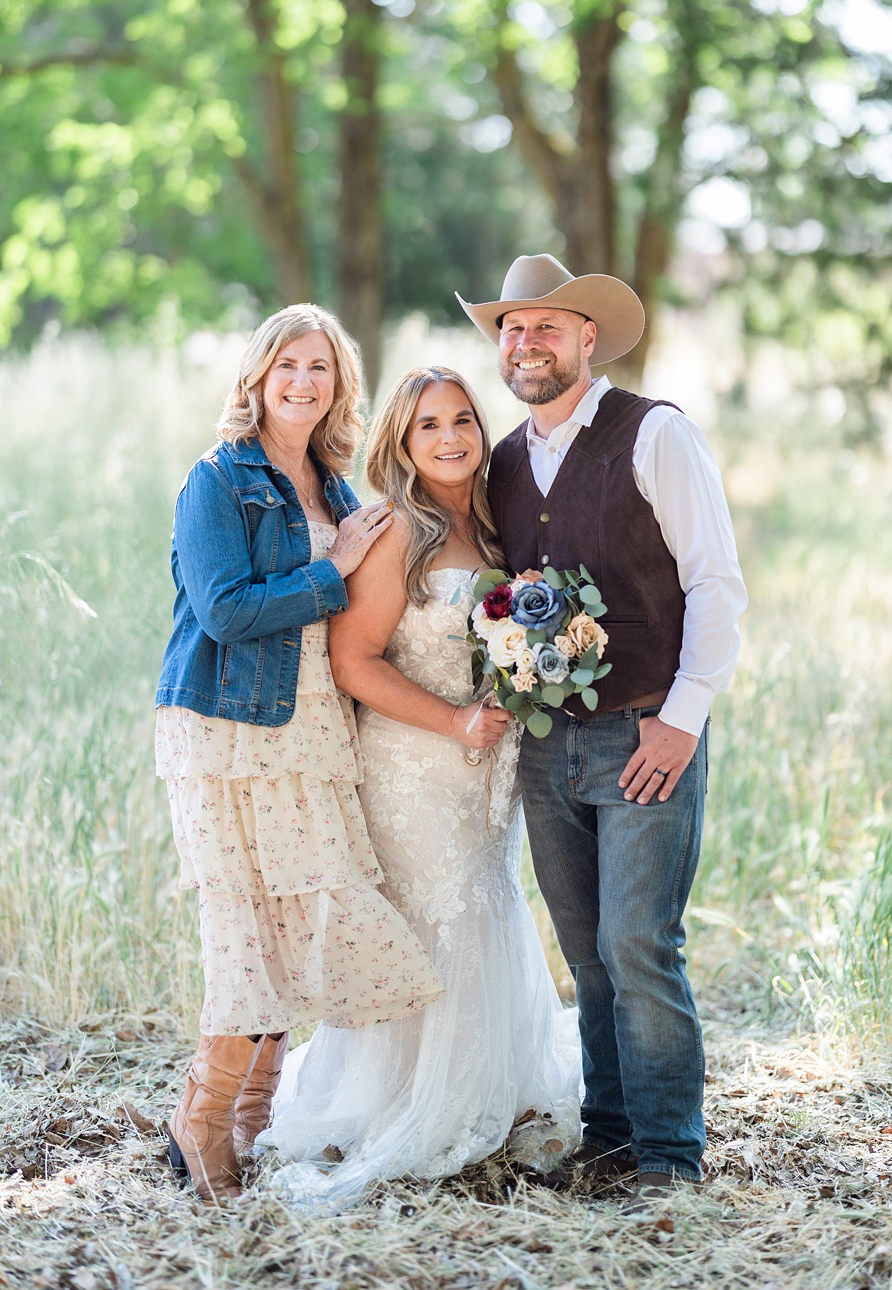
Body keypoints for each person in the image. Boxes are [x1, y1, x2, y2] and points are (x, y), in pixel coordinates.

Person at [457, 254, 747, 1207]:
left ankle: (669, 1157)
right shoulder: (500, 460)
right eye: (511, 327)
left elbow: (715, 583)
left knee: (638, 942)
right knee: (585, 950)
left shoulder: (653, 433)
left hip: (643, 733)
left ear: (588, 339)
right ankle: (611, 1140)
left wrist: (683, 719)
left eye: (546, 326)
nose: (526, 343)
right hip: (547, 746)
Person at [260, 366, 582, 1211]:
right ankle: (414, 1102)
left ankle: (492, 1090)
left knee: (487, 909)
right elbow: (352, 660)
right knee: (440, 922)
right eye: (428, 425)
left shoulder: (500, 530)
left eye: (463, 420)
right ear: (401, 442)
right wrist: (453, 723)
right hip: (412, 764)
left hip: (488, 769)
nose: (449, 437)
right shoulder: (397, 531)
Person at [155, 306, 443, 1204]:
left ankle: (253, 1120)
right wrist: (330, 572)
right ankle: (202, 1126)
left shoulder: (340, 492)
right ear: (257, 377)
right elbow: (226, 610)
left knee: (304, 928)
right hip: (228, 729)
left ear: (338, 388)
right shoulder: (217, 479)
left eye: (320, 368)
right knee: (246, 931)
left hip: (314, 731)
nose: (303, 382)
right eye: (287, 365)